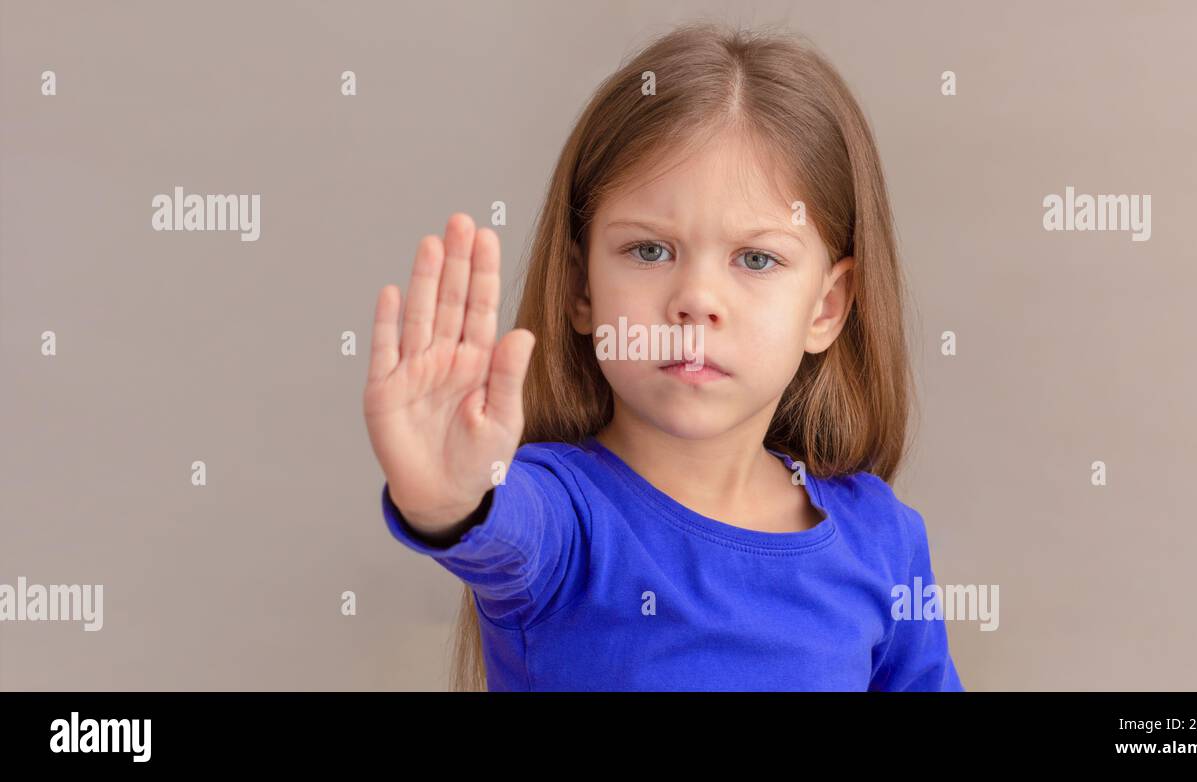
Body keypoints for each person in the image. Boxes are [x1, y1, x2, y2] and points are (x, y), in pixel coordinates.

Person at [362, 21, 964, 692]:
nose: (696, 299)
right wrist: (454, 503)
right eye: (650, 250)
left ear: (826, 306)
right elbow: (505, 527)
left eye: (756, 259)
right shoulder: (567, 517)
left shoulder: (881, 539)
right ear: (580, 288)